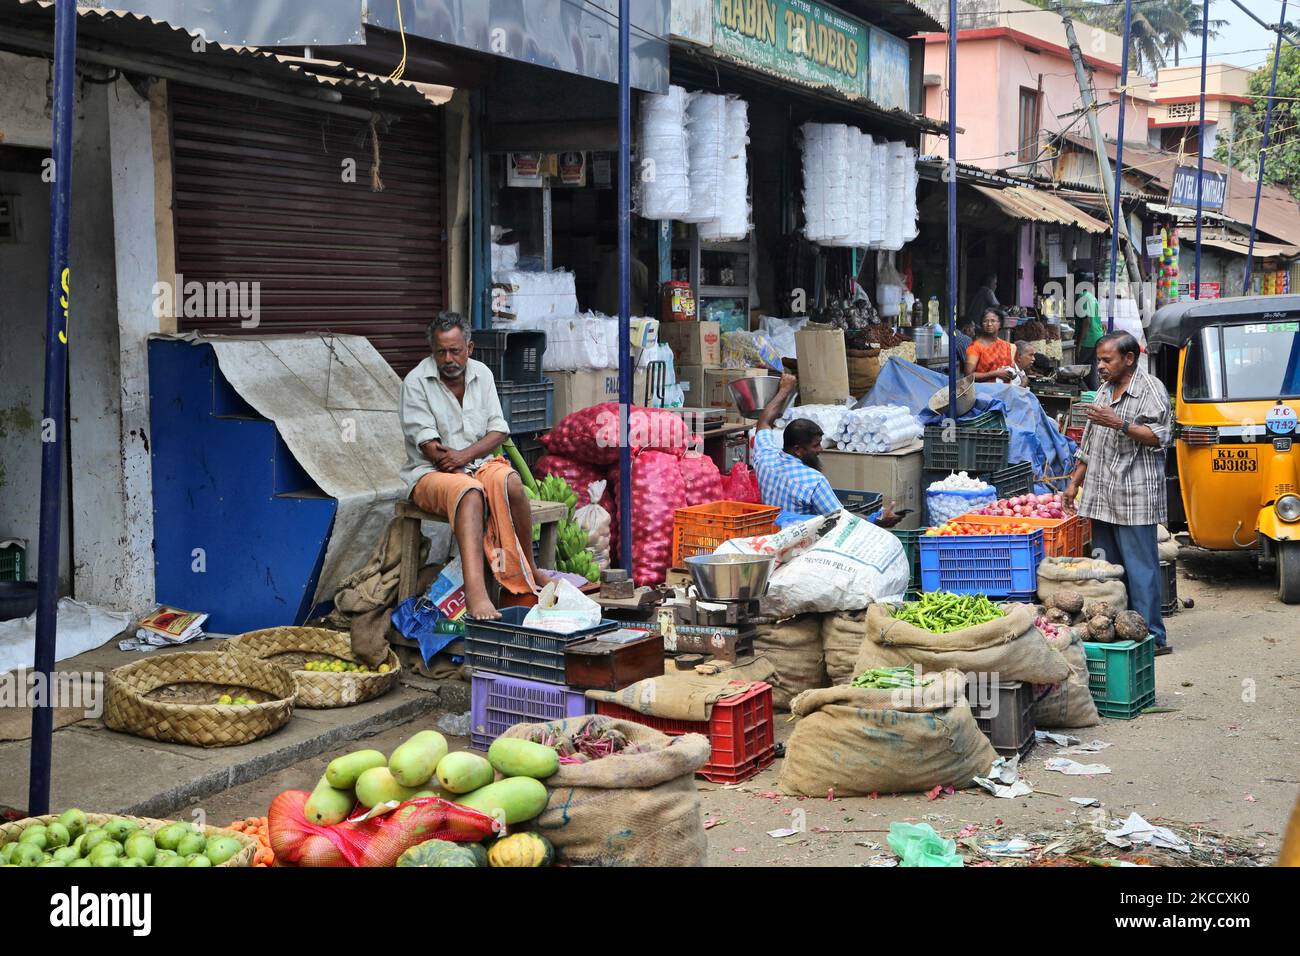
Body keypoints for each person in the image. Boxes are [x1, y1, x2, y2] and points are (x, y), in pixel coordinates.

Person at [399, 312, 550, 620]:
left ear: (469, 347)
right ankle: (476, 593)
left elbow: (498, 430)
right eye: (441, 351)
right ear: (432, 351)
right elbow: (430, 446)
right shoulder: (416, 382)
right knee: (470, 492)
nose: (448, 359)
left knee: (511, 482)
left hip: (475, 462)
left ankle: (529, 567)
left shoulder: (482, 374)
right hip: (430, 474)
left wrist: (464, 457)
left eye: (455, 351)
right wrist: (457, 466)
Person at [1064, 331, 1172, 655]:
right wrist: (1074, 482)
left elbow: (1160, 436)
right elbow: (1089, 443)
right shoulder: (1103, 390)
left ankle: (1153, 637)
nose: (1100, 365)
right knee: (1109, 571)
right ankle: (1119, 633)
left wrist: (1120, 423)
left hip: (1134, 495)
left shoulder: (1150, 389)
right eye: (1098, 360)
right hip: (1102, 496)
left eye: (1106, 360)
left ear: (1129, 358)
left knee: (1141, 569)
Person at [752, 373, 901, 526]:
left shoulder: (765, 458)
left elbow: (764, 421)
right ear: (798, 449)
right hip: (802, 538)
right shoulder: (813, 481)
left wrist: (784, 390)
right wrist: (876, 519)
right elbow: (841, 519)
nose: (820, 450)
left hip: (769, 534)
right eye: (815, 445)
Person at [964, 309, 1016, 383]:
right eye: (985, 321)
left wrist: (1011, 373)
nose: (989, 324)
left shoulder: (1006, 346)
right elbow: (968, 376)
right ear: (981, 324)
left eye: (993, 321)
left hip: (1004, 388)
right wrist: (994, 373)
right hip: (982, 389)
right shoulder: (975, 347)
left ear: (1000, 324)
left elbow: (1012, 369)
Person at [1074, 271, 1103, 390]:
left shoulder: (1083, 297)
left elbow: (1087, 321)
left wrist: (1079, 343)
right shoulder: (1092, 297)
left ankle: (1086, 392)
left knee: (1075, 372)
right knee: (1091, 369)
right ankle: (1095, 394)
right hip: (1097, 337)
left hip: (1088, 339)